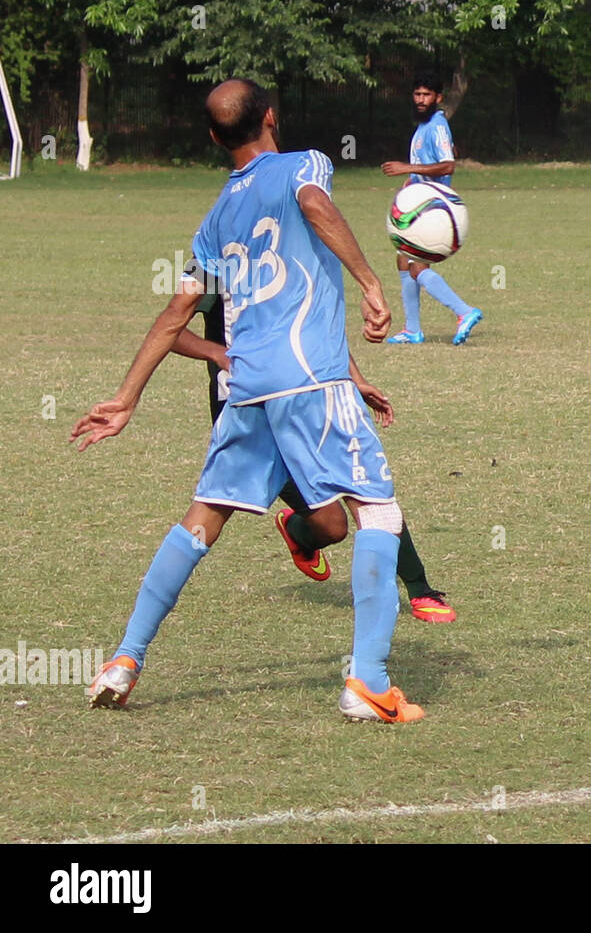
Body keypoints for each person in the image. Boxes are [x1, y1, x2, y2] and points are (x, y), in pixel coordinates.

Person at [74, 78, 424, 722]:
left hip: (247, 389)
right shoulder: (304, 163)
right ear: (271, 116)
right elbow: (316, 206)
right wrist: (373, 284)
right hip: (310, 382)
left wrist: (126, 399)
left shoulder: (216, 218)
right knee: (378, 512)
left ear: (214, 139)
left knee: (200, 522)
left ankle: (125, 659)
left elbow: (178, 311)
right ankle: (368, 682)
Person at [171, 310, 458, 623]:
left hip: (309, 395)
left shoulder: (291, 261)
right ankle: (299, 531)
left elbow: (319, 324)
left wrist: (355, 381)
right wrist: (220, 354)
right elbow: (170, 327)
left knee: (363, 484)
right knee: (332, 527)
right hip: (247, 412)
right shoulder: (211, 265)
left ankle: (420, 589)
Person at [381, 72, 483, 346]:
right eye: (417, 94)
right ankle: (412, 329)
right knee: (403, 259)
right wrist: (409, 182)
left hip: (435, 209)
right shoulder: (422, 128)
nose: (421, 100)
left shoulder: (437, 126)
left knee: (416, 266)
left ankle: (464, 311)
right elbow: (426, 168)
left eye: (427, 95)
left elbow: (447, 165)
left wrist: (408, 168)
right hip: (423, 204)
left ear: (438, 98)